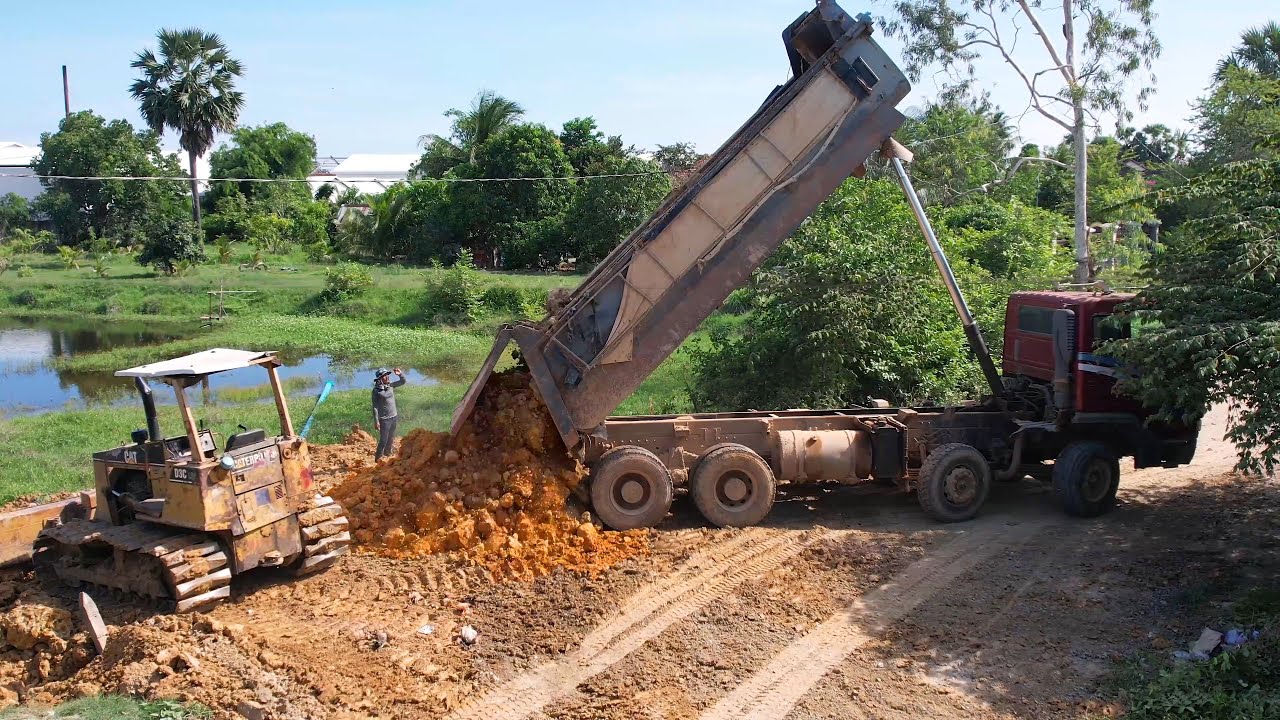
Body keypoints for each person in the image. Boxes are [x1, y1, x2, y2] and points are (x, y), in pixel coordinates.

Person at [371, 367, 406, 461]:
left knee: (391, 438)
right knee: (383, 440)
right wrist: (376, 421)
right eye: (384, 376)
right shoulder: (376, 391)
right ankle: (377, 459)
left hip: (394, 416)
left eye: (387, 375)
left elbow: (402, 382)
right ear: (379, 379)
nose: (387, 377)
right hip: (384, 419)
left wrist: (400, 374)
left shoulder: (390, 386)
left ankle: (387, 455)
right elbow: (375, 407)